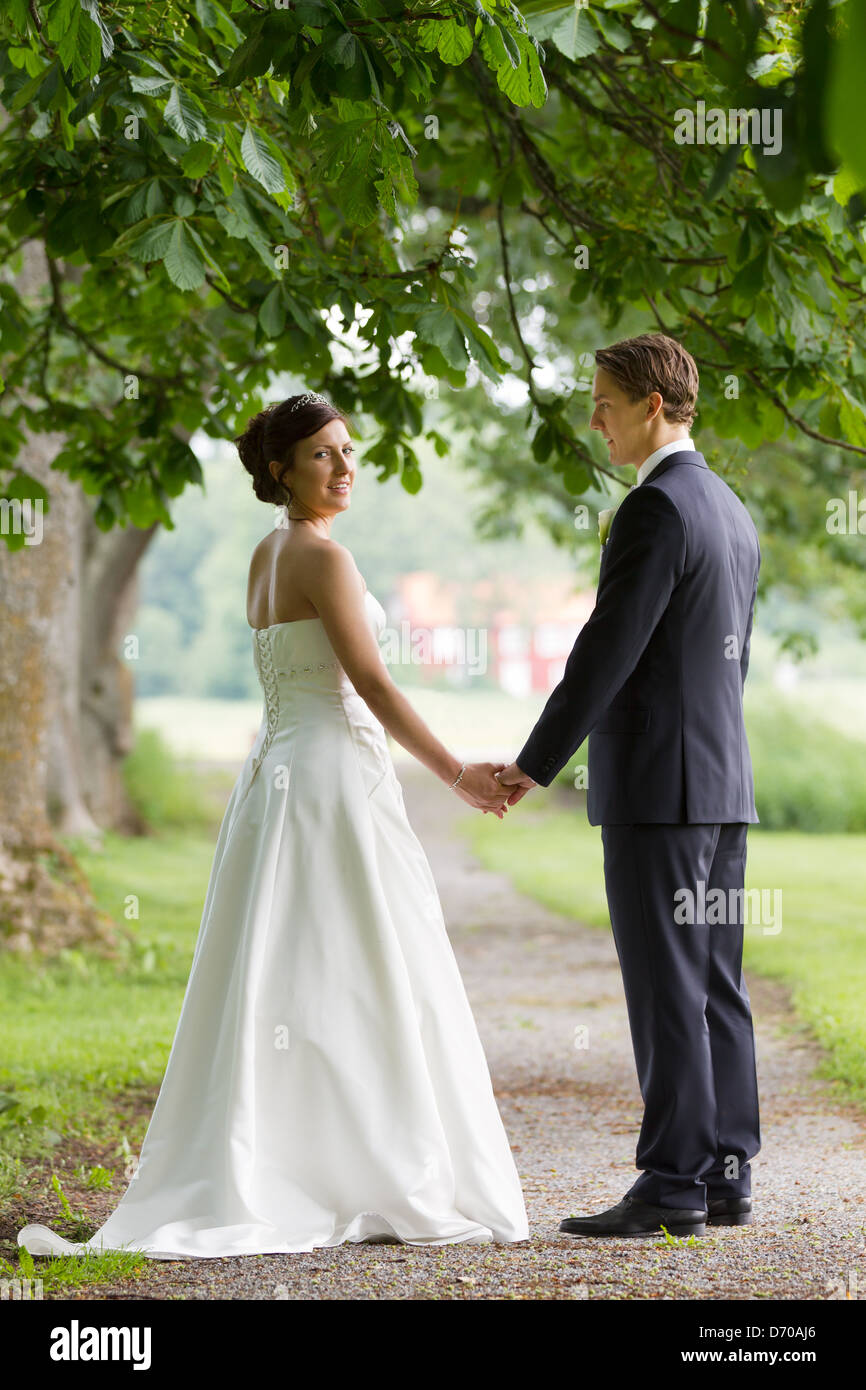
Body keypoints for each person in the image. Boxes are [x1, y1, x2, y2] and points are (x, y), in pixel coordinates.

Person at [17, 391, 528, 1259]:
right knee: (354, 962)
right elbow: (371, 684)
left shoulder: (268, 553)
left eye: (346, 451)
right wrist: (456, 772)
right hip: (324, 781)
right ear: (279, 468)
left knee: (291, 966)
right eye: (322, 455)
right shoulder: (323, 560)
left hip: (277, 777)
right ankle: (357, 1166)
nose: (343, 468)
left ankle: (305, 1158)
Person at [496, 334, 762, 1239]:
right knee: (714, 980)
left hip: (660, 790)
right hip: (721, 787)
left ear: (653, 403)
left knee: (666, 985)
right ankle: (726, 1172)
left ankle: (672, 1183)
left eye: (605, 400)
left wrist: (532, 765)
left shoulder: (655, 510)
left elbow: (606, 654)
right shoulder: (730, 509)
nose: (594, 417)